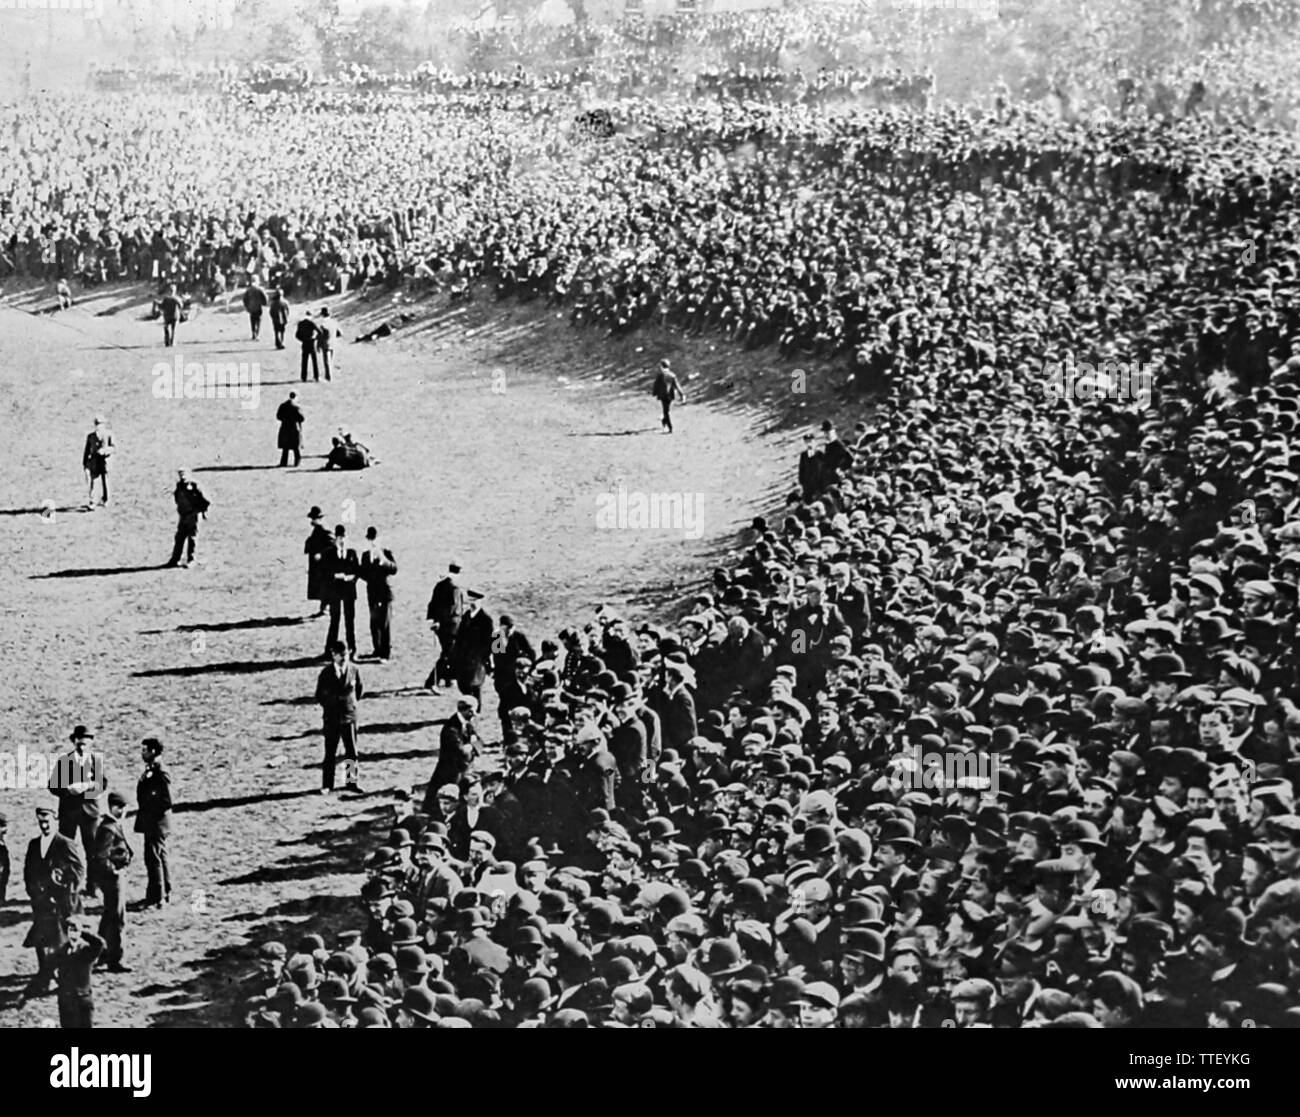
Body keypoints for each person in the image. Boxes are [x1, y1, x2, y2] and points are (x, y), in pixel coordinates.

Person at [22, 805, 84, 998]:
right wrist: (34, 893)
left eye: (47, 821)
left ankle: (63, 977)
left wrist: (64, 888)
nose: (44, 825)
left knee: (60, 942)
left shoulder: (65, 843)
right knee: (41, 939)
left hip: (62, 903)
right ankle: (45, 975)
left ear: (55, 821)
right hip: (42, 902)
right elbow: (28, 872)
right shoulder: (34, 845)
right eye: (41, 822)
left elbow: (78, 871)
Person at [47, 725, 105, 868]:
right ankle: (67, 886)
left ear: (91, 742)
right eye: (79, 741)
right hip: (68, 813)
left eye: (86, 741)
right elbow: (53, 785)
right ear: (74, 742)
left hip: (89, 813)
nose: (82, 744)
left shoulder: (95, 761)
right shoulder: (64, 761)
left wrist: (86, 786)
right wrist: (68, 791)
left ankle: (92, 887)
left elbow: (102, 784)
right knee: (65, 849)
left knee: (92, 850)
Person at [91, 791, 133, 973]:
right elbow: (101, 857)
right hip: (113, 879)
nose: (123, 811)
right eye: (121, 807)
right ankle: (115, 959)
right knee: (117, 919)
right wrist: (114, 872)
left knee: (109, 916)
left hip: (114, 877)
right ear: (113, 807)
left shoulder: (112, 825)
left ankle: (97, 951)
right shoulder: (108, 828)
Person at [316, 641, 364, 795]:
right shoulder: (326, 673)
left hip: (349, 717)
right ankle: (327, 784)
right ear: (333, 655)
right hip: (332, 718)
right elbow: (319, 695)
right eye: (340, 655)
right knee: (330, 752)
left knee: (351, 752)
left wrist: (349, 706)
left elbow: (359, 691)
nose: (343, 658)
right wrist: (332, 706)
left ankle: (351, 783)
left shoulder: (354, 670)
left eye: (346, 655)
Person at [135, 738, 172, 910]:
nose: (142, 754)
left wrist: (151, 813)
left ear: (153, 751)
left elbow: (165, 800)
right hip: (153, 822)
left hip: (156, 822)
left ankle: (157, 898)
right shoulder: (152, 769)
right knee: (158, 857)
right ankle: (163, 892)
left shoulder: (159, 771)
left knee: (154, 858)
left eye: (145, 750)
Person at [53, 917, 103, 1029]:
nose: (73, 934)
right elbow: (50, 969)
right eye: (70, 931)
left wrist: (82, 932)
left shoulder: (86, 952)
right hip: (66, 1001)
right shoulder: (62, 952)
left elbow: (100, 944)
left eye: (75, 931)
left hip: (83, 1000)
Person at [424, 563, 465, 692]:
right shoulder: (455, 588)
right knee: (448, 655)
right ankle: (432, 682)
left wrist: (435, 621)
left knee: (449, 653)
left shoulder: (440, 585)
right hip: (451, 628)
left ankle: (449, 678)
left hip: (440, 628)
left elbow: (432, 604)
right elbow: (453, 609)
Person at [359, 525, 398, 661]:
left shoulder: (386, 553)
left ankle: (385, 653)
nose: (373, 542)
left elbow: (394, 569)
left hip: (385, 592)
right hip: (373, 592)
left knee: (385, 622)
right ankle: (377, 648)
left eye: (374, 539)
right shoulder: (365, 556)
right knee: (374, 622)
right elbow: (362, 573)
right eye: (370, 539)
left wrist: (383, 560)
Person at [321, 524, 360, 658]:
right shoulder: (329, 553)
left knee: (350, 622)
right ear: (335, 539)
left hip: (349, 592)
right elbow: (324, 572)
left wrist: (351, 578)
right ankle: (329, 650)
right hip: (335, 592)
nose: (342, 540)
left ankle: (352, 649)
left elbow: (357, 571)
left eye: (344, 537)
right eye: (339, 537)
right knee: (334, 621)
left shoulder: (352, 553)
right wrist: (335, 576)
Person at [450, 590, 496, 700]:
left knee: (474, 684)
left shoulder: (485, 620)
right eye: (470, 600)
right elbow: (460, 636)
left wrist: (484, 656)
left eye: (475, 600)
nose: (472, 603)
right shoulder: (466, 616)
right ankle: (469, 704)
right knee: (463, 684)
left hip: (477, 658)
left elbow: (490, 641)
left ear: (480, 602)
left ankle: (476, 707)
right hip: (464, 657)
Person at [168, 468, 210, 568]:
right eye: (180, 475)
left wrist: (201, 511)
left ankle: (191, 560)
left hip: (193, 515)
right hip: (183, 515)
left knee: (192, 538)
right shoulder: (180, 486)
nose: (182, 477)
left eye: (184, 475)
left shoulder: (195, 486)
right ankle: (175, 559)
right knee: (179, 537)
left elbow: (206, 500)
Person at [304, 506, 333, 617]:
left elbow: (332, 544)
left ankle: (326, 609)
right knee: (323, 587)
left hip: (324, 565)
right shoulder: (319, 528)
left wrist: (321, 554)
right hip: (320, 565)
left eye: (313, 518)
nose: (311, 521)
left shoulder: (324, 528)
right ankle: (324, 609)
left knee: (325, 586)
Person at [81, 415, 114, 508]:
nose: (98, 426)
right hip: (94, 462)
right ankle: (93, 501)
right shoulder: (91, 436)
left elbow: (114, 447)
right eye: (97, 424)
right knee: (94, 481)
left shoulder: (109, 434)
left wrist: (105, 450)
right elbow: (87, 450)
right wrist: (85, 463)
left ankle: (106, 499)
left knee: (106, 481)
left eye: (100, 424)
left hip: (105, 462)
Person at [651, 358, 685, 433]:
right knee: (666, 410)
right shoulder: (672, 375)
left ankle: (669, 427)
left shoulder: (660, 375)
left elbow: (656, 385)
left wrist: (654, 393)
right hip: (670, 395)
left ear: (661, 366)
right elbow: (677, 385)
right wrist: (682, 395)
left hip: (663, 395)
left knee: (666, 411)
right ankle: (665, 423)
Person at [276, 391, 305, 467]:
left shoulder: (283, 405)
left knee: (285, 448)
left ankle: (283, 462)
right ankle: (297, 462)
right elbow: (302, 418)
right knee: (295, 447)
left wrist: (285, 419)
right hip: (294, 428)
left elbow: (278, 416)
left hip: (285, 427)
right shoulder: (296, 407)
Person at [317, 306, 340, 380]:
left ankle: (328, 376)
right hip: (333, 343)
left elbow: (320, 336)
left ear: (322, 315)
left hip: (325, 344)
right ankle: (329, 374)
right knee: (331, 360)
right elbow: (340, 333)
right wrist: (333, 336)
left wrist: (318, 345)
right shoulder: (334, 322)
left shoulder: (323, 325)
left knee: (326, 361)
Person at [297, 312, 320, 381]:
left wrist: (302, 339)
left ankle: (303, 377)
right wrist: (315, 338)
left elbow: (297, 335)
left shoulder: (300, 323)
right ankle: (316, 376)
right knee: (314, 361)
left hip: (304, 343)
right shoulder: (311, 323)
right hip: (311, 343)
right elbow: (320, 332)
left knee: (304, 361)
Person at [159, 283, 183, 347]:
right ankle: (172, 343)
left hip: (167, 316)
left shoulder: (166, 299)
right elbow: (181, 306)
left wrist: (157, 304)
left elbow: (162, 307)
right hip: (175, 316)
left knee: (166, 329)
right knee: (173, 330)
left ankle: (167, 342)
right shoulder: (177, 298)